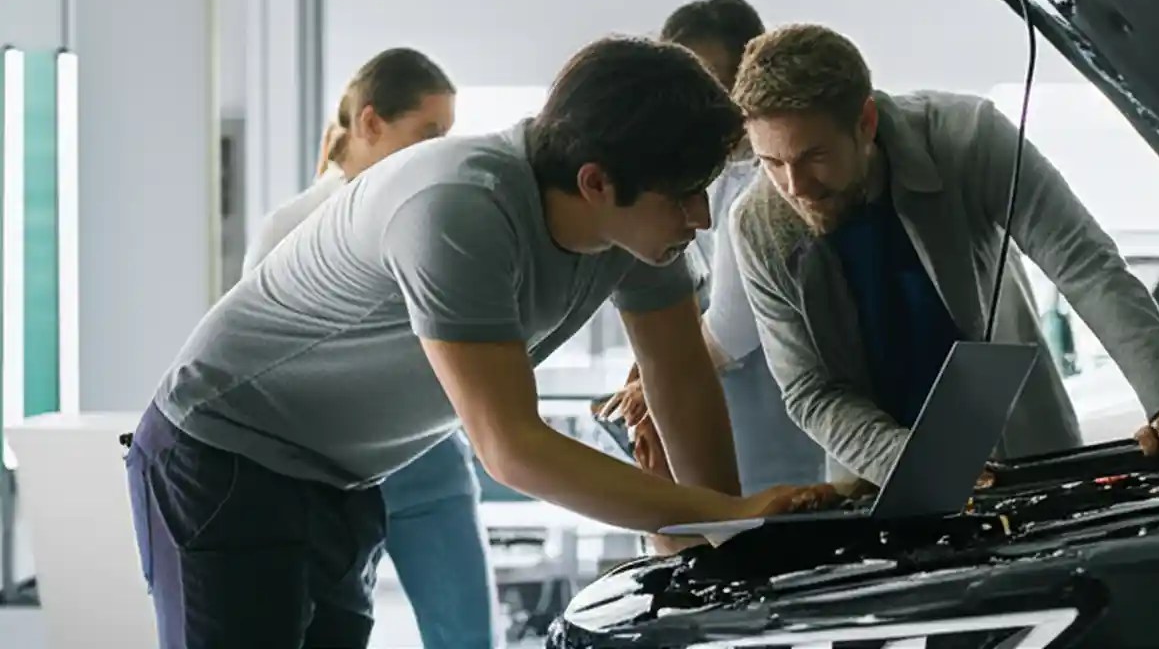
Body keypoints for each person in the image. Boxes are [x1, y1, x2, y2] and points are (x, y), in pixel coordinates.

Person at [124, 35, 836, 648]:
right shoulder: (459, 208)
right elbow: (511, 448)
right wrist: (720, 516)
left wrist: (721, 534)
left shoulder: (633, 228)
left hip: (340, 475)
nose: (702, 218)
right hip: (221, 455)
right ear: (595, 182)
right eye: (685, 194)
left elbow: (679, 374)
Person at [725, 23, 1159, 488]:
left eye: (815, 157)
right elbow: (811, 390)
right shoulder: (756, 225)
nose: (795, 187)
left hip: (1024, 446)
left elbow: (1082, 261)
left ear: (867, 122)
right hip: (877, 477)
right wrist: (921, 468)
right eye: (771, 162)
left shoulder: (969, 136)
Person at [240, 48, 498, 648]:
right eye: (426, 133)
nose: (439, 150)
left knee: (467, 639)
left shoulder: (437, 216)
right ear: (371, 123)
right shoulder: (290, 227)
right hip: (331, 473)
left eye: (447, 136)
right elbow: (258, 363)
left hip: (430, 463)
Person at [595, 0, 825, 494]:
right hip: (709, 410)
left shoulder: (777, 182)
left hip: (776, 416)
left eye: (708, 84)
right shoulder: (691, 179)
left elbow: (734, 324)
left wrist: (654, 382)